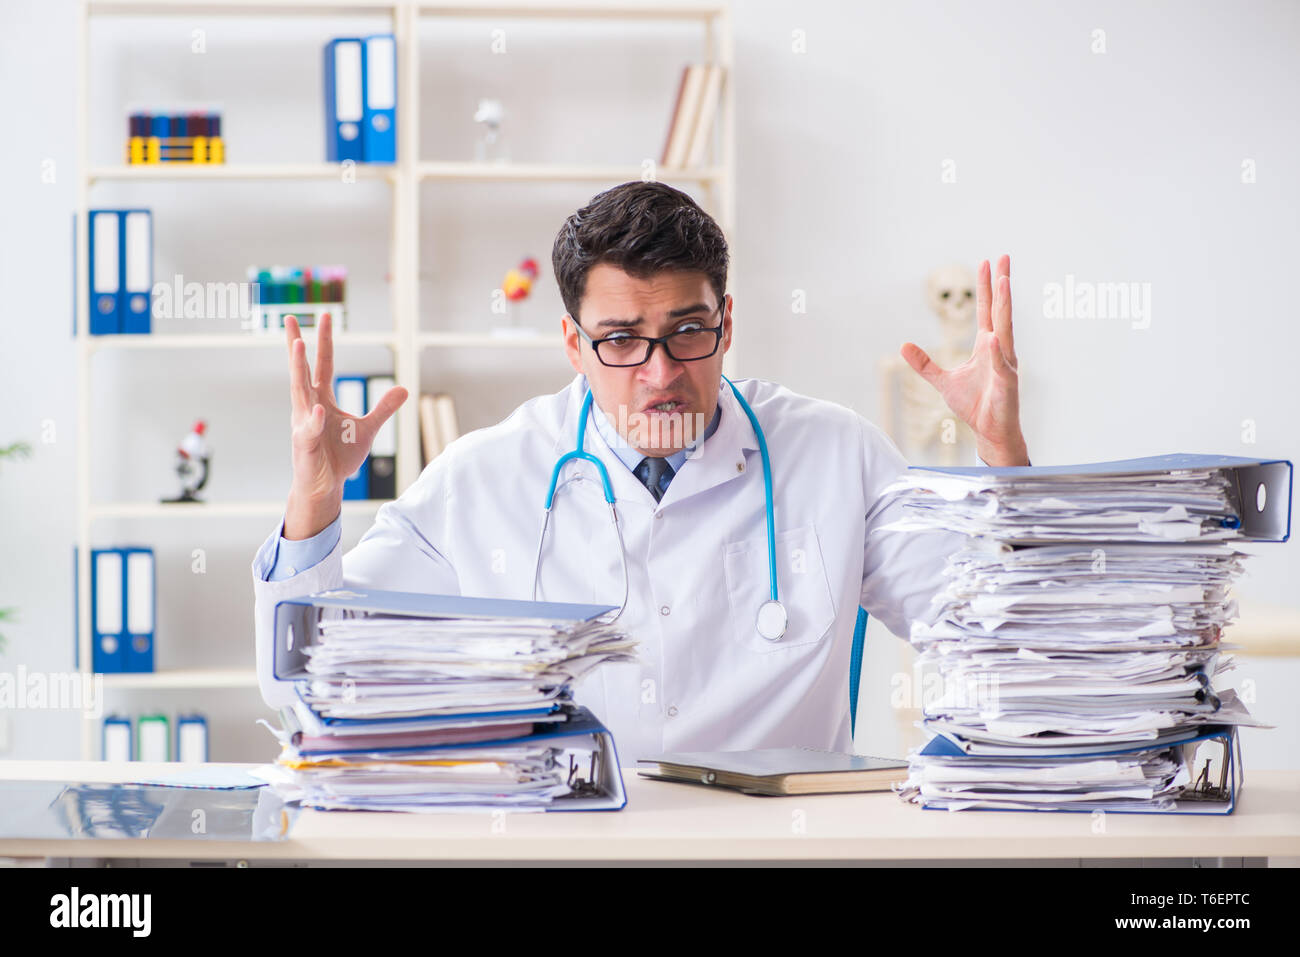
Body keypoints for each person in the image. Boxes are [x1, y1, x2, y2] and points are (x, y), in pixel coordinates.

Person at [251, 180, 1029, 759]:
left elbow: (1009, 640)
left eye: (687, 331)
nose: (659, 373)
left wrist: (1006, 462)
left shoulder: (836, 453)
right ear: (572, 342)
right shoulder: (483, 475)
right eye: (620, 339)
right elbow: (311, 687)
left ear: (728, 326)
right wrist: (313, 504)